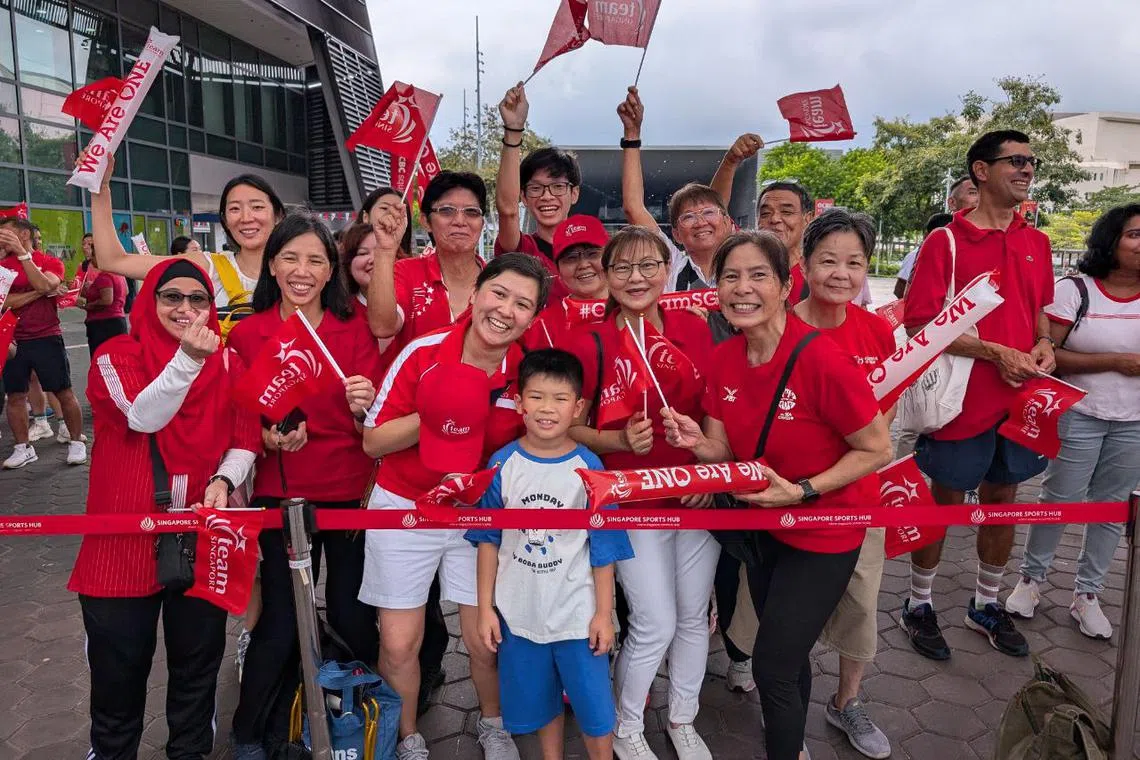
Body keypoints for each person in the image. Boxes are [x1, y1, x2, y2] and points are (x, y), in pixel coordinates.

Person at [662, 230, 891, 760]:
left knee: (771, 667)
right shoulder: (723, 360)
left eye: (757, 275)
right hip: (763, 530)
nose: (742, 289)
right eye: (730, 277)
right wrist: (699, 444)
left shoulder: (822, 359)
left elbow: (876, 448)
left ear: (787, 285)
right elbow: (722, 449)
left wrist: (803, 491)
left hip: (825, 530)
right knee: (788, 659)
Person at [359, 253, 550, 760]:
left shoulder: (528, 372)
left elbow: (550, 441)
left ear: (533, 317)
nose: (506, 310)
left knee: (485, 637)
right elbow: (373, 442)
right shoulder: (422, 352)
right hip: (405, 506)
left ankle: (493, 725)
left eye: (523, 304)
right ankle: (408, 736)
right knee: (400, 643)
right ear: (476, 292)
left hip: (480, 517)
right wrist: (441, 408)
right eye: (499, 293)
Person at [68, 257, 260, 760]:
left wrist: (224, 478)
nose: (186, 308)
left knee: (197, 672)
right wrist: (188, 361)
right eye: (171, 296)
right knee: (117, 675)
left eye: (199, 299)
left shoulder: (226, 361)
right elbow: (142, 415)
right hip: (120, 548)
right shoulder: (117, 354)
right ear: (148, 301)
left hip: (199, 539)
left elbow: (244, 440)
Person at [226, 214, 383, 760]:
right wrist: (266, 437)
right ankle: (252, 733)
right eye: (291, 257)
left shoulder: (354, 327)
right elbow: (240, 420)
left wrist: (365, 405)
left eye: (316, 259)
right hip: (279, 495)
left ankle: (355, 725)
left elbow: (376, 423)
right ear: (272, 264)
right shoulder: (248, 333)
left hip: (346, 491)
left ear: (331, 270)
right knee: (280, 623)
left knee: (352, 615)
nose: (303, 270)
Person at [901, 130, 1056, 660]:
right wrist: (997, 354)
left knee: (1004, 502)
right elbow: (922, 321)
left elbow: (1041, 313)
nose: (1027, 169)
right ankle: (918, 604)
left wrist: (1041, 346)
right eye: (1015, 160)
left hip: (1019, 402)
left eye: (1031, 161)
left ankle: (985, 604)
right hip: (959, 402)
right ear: (981, 171)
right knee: (943, 503)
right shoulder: (945, 241)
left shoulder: (1037, 241)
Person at [566, 227, 716, 760]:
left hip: (696, 498)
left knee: (695, 618)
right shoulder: (591, 343)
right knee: (655, 621)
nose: (637, 278)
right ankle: (627, 726)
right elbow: (568, 427)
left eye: (649, 265)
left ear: (667, 270)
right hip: (631, 500)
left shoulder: (695, 330)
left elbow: (714, 414)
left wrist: (703, 471)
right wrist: (618, 439)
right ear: (605, 277)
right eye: (623, 268)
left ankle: (682, 718)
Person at [466, 348, 634, 760]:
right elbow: (488, 541)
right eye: (536, 396)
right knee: (542, 707)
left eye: (560, 399)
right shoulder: (501, 464)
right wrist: (486, 609)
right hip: (520, 616)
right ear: (519, 401)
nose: (547, 408)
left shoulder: (590, 468)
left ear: (578, 407)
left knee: (596, 713)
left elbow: (603, 550)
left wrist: (603, 614)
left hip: (576, 617)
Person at [1005, 203, 1140, 639]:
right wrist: (1114, 362)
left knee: (1111, 507)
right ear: (1111, 240)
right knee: (1060, 497)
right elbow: (1047, 353)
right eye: (1135, 234)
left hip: (1133, 420)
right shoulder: (1075, 290)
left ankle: (1088, 594)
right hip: (1079, 412)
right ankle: (1031, 579)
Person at [791, 210, 895, 759]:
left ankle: (847, 702)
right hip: (788, 498)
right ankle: (787, 714)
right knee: (790, 617)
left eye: (854, 263)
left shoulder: (877, 331)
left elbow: (882, 425)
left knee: (861, 604)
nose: (841, 273)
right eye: (828, 261)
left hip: (857, 498)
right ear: (803, 265)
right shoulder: (778, 325)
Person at [86, 152, 285, 310]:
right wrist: (100, 189)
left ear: (278, 215)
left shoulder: (300, 271)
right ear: (224, 219)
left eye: (257, 207)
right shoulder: (208, 266)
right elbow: (112, 260)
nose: (246, 217)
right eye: (234, 209)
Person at [616, 87, 735, 292]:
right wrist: (632, 134)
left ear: (727, 223)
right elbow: (633, 207)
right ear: (676, 234)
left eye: (708, 212)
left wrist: (732, 161)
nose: (700, 222)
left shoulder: (747, 268)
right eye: (688, 217)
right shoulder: (672, 266)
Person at [0, 216, 87, 468]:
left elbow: (45, 281)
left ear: (23, 235)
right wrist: (40, 292)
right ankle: (22, 448)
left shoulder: (49, 261)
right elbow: (6, 302)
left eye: (5, 232)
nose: (1, 237)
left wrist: (28, 263)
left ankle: (75, 442)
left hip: (46, 336)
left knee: (63, 392)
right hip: (13, 339)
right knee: (16, 395)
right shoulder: (3, 266)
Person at [366, 171, 487, 350]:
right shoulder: (406, 272)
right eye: (446, 211)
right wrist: (385, 250)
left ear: (482, 222)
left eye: (471, 212)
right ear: (425, 221)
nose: (460, 221)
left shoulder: (497, 280)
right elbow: (383, 327)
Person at [496, 83, 581, 300]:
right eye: (535, 188)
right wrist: (513, 130)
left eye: (557, 186)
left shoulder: (595, 253)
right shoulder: (522, 249)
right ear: (523, 197)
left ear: (574, 193)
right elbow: (507, 210)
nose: (547, 196)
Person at [523, 214, 609, 351]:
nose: (583, 265)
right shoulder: (543, 326)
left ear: (610, 257)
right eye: (571, 258)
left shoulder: (634, 309)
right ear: (558, 270)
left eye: (592, 254)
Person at [894, 178, 979, 299]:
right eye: (973, 192)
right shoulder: (939, 243)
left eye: (985, 193)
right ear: (952, 203)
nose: (981, 199)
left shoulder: (1000, 241)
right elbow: (915, 300)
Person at [77, 232, 129, 357]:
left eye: (93, 257)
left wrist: (87, 306)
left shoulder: (105, 276)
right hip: (117, 320)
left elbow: (106, 300)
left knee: (103, 359)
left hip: (104, 325)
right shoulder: (117, 273)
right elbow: (125, 291)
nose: (92, 261)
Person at [356, 185, 415, 256]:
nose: (392, 213)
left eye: (399, 211)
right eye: (384, 208)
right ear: (366, 217)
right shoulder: (345, 256)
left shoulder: (411, 264)